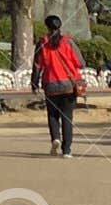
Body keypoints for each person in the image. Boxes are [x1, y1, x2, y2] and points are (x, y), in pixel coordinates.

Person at [30, 15, 84, 157]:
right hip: (68, 84)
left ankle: (55, 138)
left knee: (53, 115)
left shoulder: (42, 43)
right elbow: (81, 63)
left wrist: (34, 82)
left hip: (50, 84)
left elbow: (37, 65)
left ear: (47, 27)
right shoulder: (68, 42)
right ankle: (67, 150)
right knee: (67, 117)